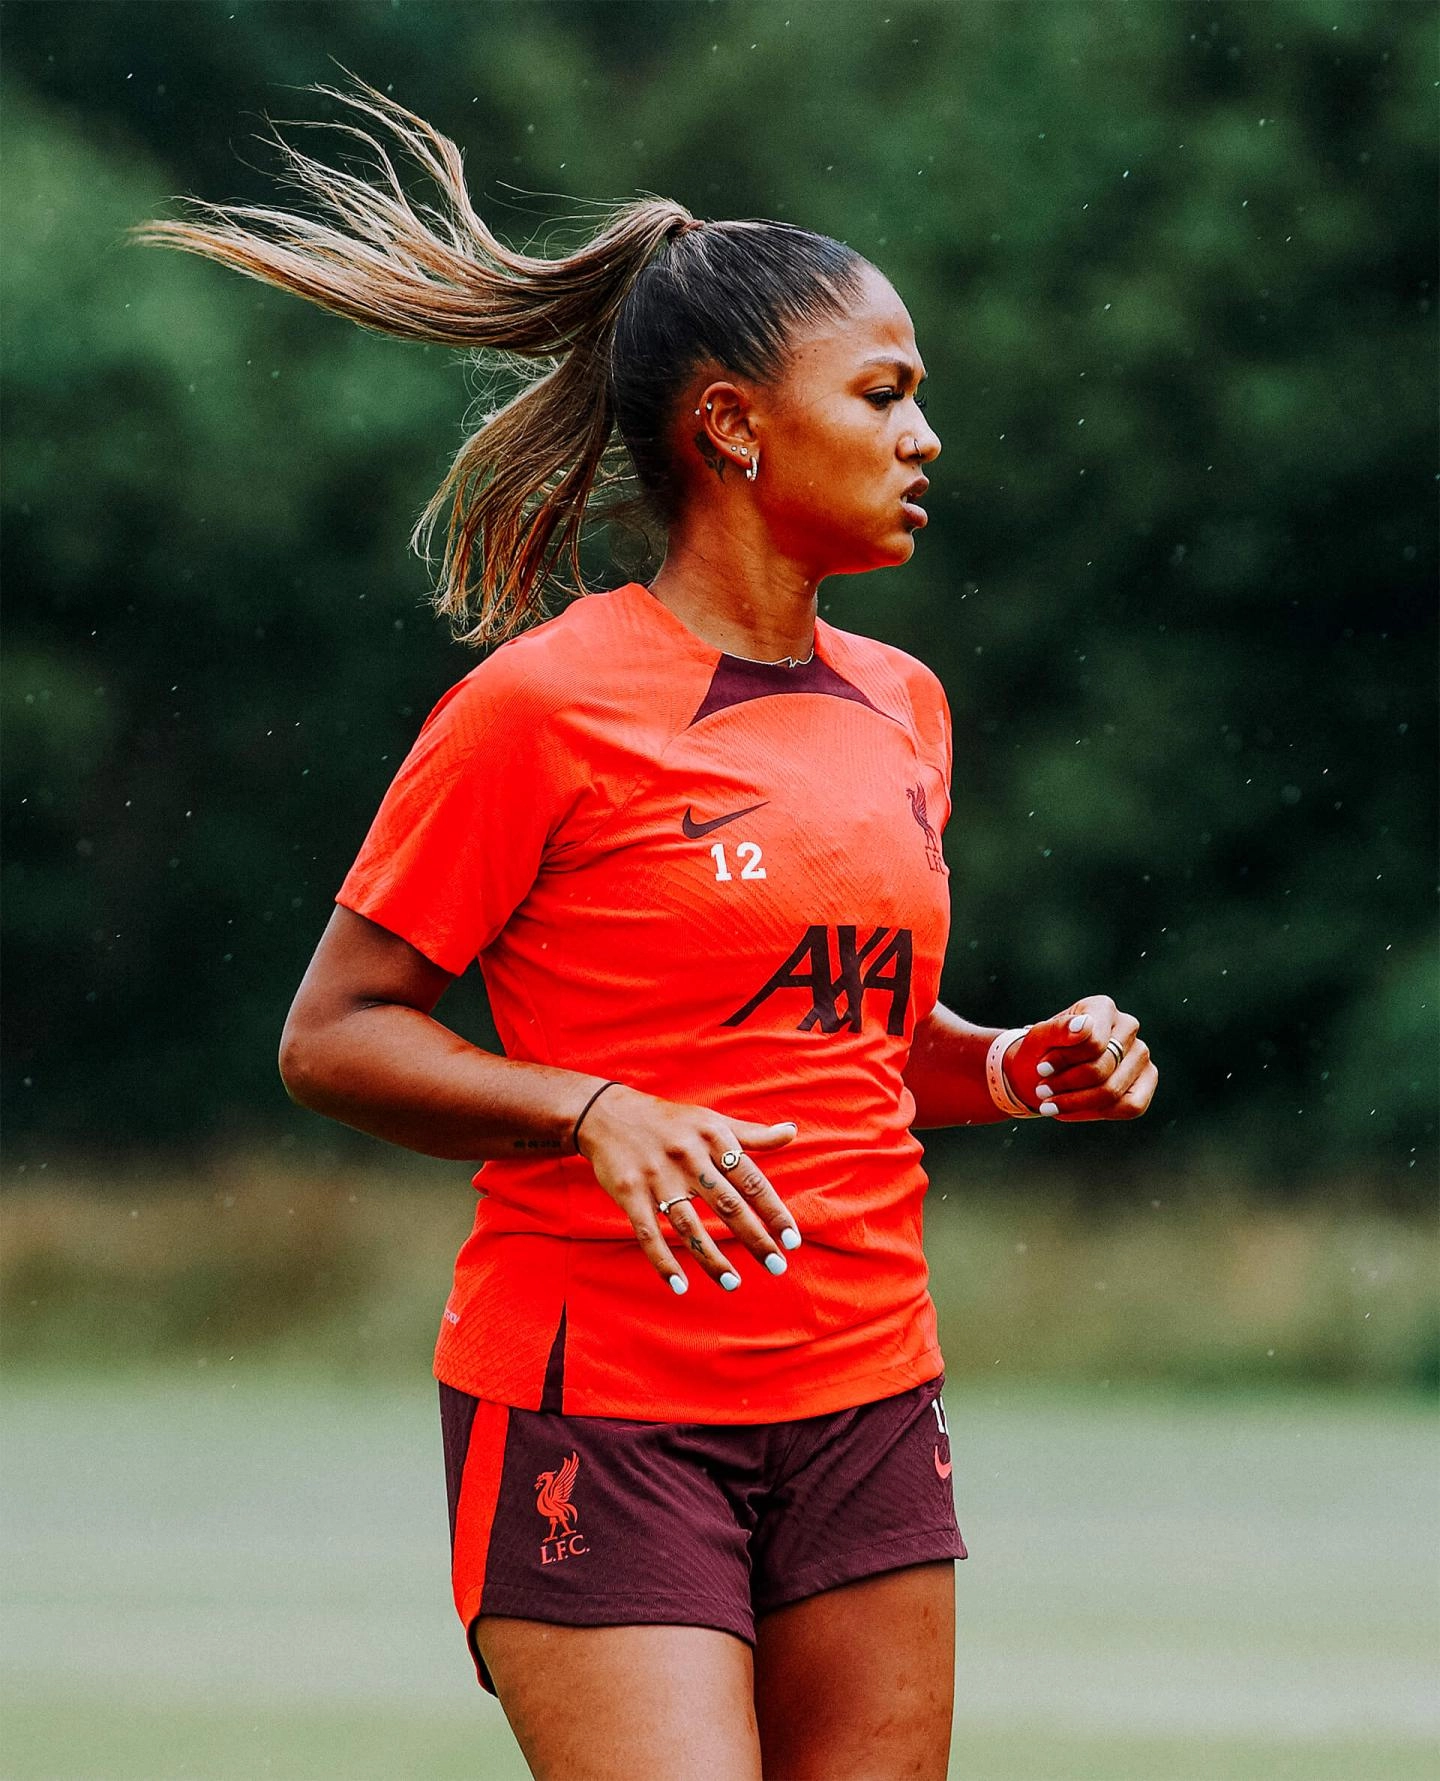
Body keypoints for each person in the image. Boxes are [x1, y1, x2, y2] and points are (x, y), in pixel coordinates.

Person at [139, 78, 1157, 1781]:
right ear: (735, 429)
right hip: (595, 1408)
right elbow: (333, 1038)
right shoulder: (539, 709)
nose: (926, 441)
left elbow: (845, 1046)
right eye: (886, 396)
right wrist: (585, 1109)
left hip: (866, 1397)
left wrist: (1009, 1065)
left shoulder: (905, 708)